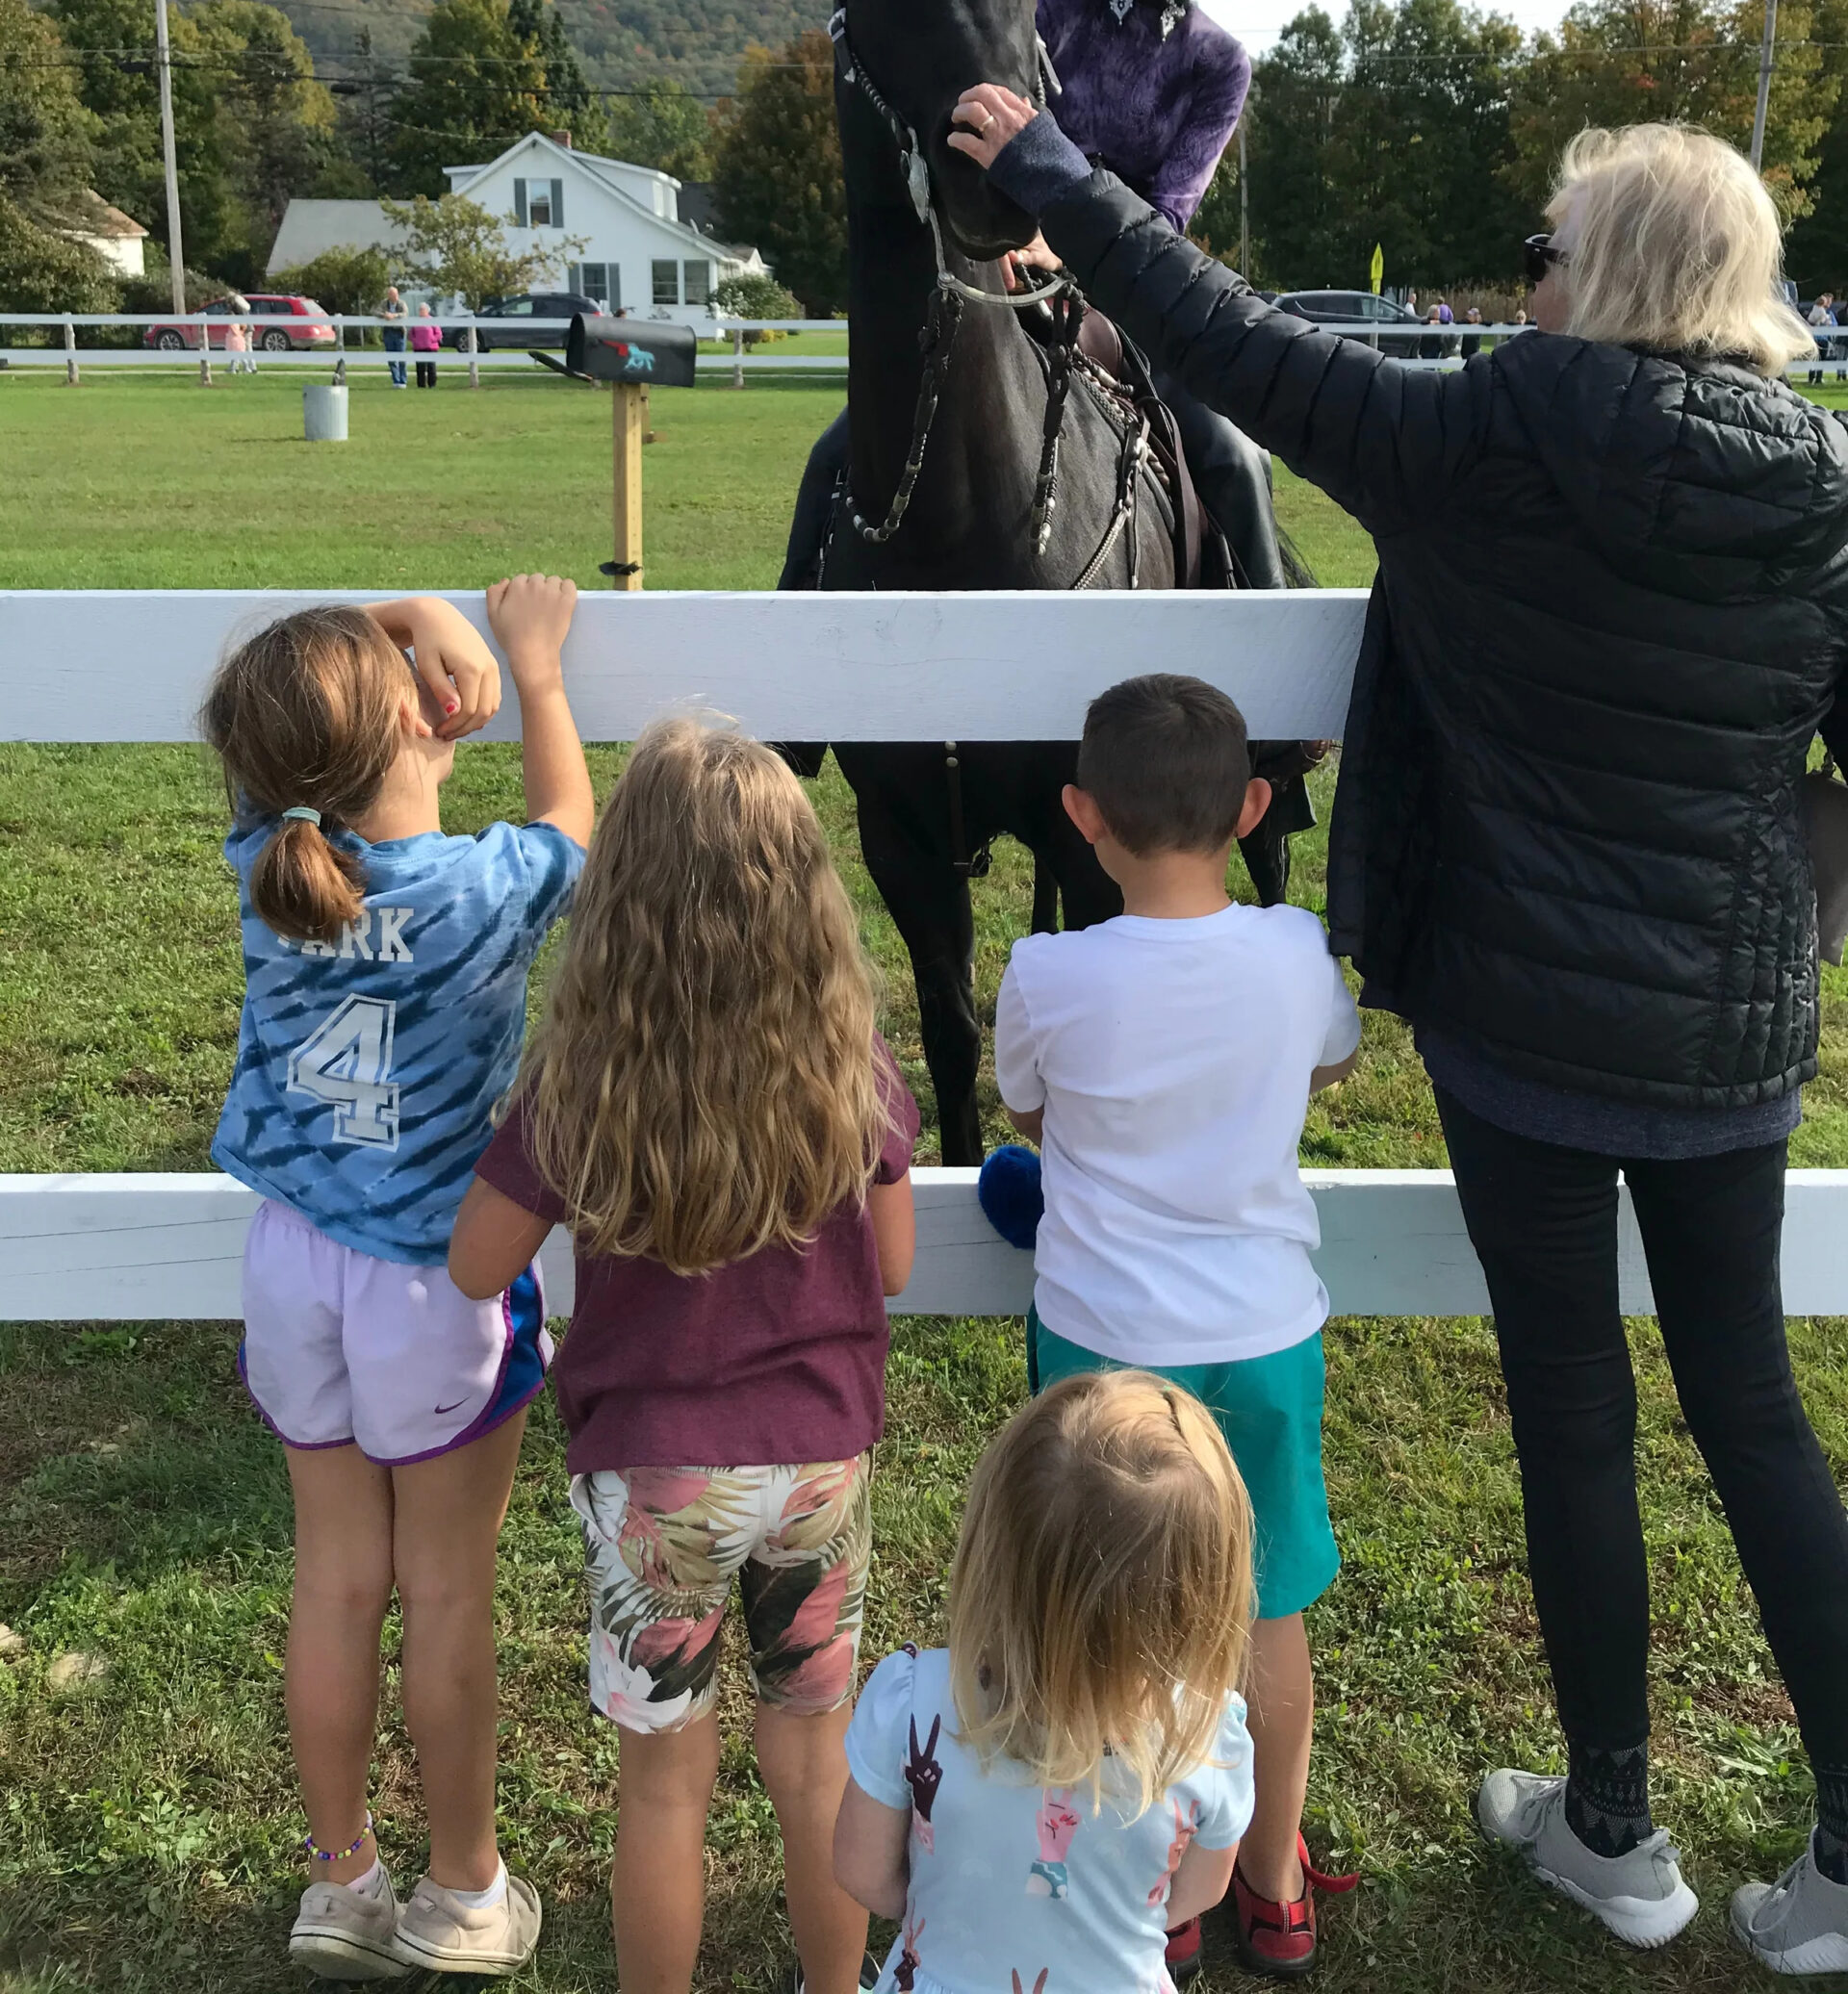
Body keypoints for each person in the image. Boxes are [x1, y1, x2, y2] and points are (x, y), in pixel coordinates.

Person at [950, 94, 1848, 1969]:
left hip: (1523, 1021)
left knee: (1576, 1412)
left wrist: (1051, 169)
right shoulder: (1813, 482)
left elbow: (1218, 333)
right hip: (1728, 1029)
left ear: (1590, 269)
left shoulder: (1482, 434)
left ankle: (1618, 1821)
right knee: (1754, 1410)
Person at [448, 717, 920, 1994]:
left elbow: (476, 1266)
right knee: (817, 1760)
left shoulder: (583, 1080)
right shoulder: (850, 1064)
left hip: (657, 1480)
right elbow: (895, 1267)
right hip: (818, 1460)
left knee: (665, 1784)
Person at [202, 578, 594, 1980]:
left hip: (291, 1263)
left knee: (333, 1581)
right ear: (429, 728)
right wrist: (526, 666)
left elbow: (295, 715)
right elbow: (572, 827)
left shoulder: (267, 860)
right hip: (431, 1286)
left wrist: (399, 623)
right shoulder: (480, 891)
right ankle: (464, 1887)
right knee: (444, 1593)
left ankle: (339, 1877)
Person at [990, 674, 1360, 1979]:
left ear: (1081, 817)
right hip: (1263, 1329)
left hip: (1103, 1343)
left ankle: (1158, 1886)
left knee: (1110, 1608)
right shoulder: (1294, 949)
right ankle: (1272, 1882)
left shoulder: (1046, 971)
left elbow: (1030, 1114)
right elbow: (1332, 1059)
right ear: (1255, 806)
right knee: (1263, 1606)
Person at [781, 0, 1294, 596]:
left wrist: (1071, 238)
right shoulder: (1042, 2)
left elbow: (1172, 206)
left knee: (1232, 457)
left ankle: (1277, 694)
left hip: (1138, 289)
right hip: (1002, 272)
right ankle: (784, 697)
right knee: (835, 460)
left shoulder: (1219, 62)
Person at [833, 1368, 1256, 1994]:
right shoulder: (1210, 1739)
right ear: (1204, 1595)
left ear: (990, 1545)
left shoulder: (912, 1701)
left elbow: (864, 1873)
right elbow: (1193, 1894)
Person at [381, 284, 408, 388]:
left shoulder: (401, 303)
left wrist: (394, 315)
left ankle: (403, 381)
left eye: (396, 294)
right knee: (391, 358)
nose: (395, 296)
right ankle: (396, 381)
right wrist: (384, 315)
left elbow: (405, 313)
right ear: (389, 295)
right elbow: (374, 311)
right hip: (388, 333)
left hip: (399, 333)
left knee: (402, 357)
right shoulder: (384, 303)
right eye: (393, 294)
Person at [412, 304, 442, 389]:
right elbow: (411, 334)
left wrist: (431, 340)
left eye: (423, 309)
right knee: (420, 367)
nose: (421, 311)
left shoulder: (432, 320)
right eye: (420, 309)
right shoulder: (416, 322)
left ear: (427, 311)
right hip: (418, 348)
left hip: (431, 347)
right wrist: (415, 341)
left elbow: (438, 334)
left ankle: (432, 384)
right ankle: (421, 385)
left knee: (431, 367)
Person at [224, 293, 253, 374]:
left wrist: (240, 332)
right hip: (242, 333)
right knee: (241, 351)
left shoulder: (236, 311)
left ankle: (248, 367)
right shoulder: (242, 308)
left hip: (239, 336)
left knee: (242, 351)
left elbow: (237, 328)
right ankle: (237, 367)